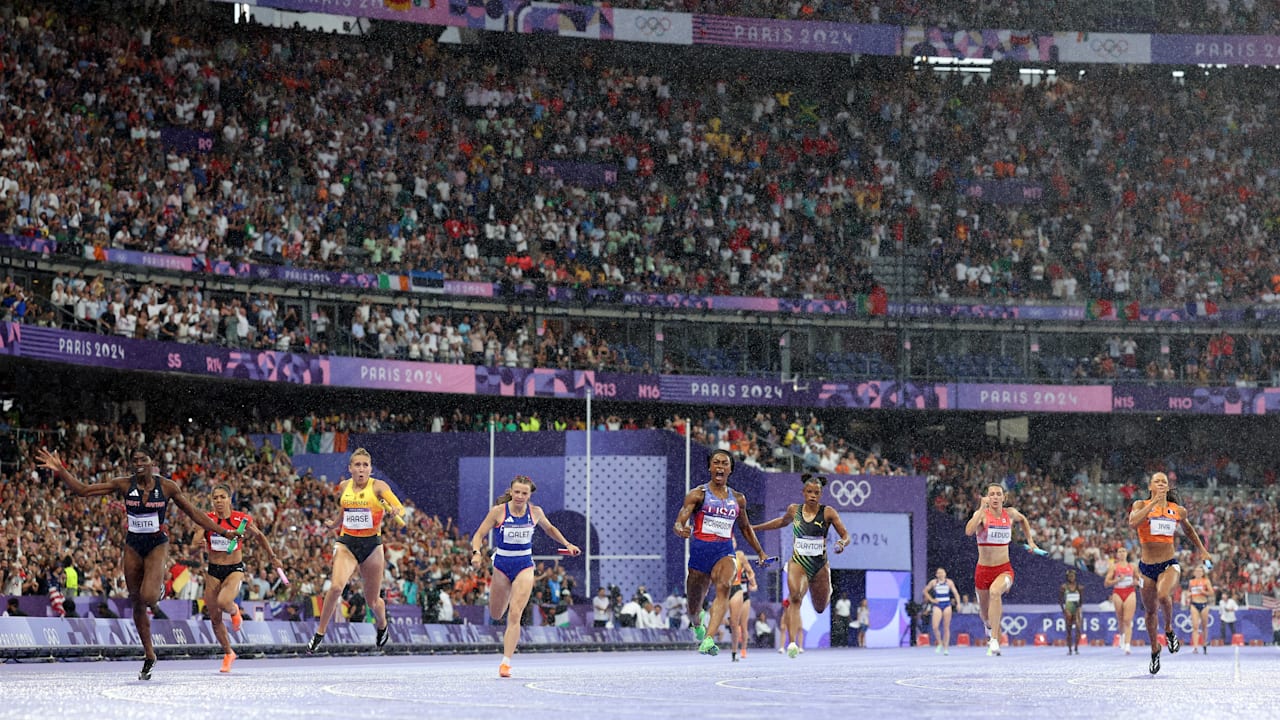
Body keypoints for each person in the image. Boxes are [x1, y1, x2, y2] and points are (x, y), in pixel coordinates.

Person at [36, 446, 241, 680]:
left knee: (150, 597)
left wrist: (223, 532)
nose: (138, 463)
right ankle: (149, 655)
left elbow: (195, 513)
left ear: (152, 462)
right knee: (136, 602)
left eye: (143, 459)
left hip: (156, 545)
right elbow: (83, 490)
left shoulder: (167, 487)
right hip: (133, 545)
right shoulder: (124, 484)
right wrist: (60, 470)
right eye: (134, 460)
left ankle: (160, 589)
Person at [470, 475, 580, 678]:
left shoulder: (535, 512)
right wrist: (476, 553)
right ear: (511, 492)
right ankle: (505, 598)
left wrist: (567, 544)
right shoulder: (498, 512)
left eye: (524, 493)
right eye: (517, 492)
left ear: (530, 495)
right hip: (502, 566)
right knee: (496, 614)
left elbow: (550, 529)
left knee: (515, 613)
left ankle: (506, 663)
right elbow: (478, 535)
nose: (520, 496)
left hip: (524, 566)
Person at [307, 448, 406, 654]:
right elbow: (346, 508)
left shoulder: (379, 487)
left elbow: (399, 507)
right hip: (347, 543)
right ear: (350, 468)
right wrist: (335, 524)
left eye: (365, 465)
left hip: (372, 547)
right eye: (357, 465)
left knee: (372, 602)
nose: (361, 469)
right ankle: (320, 633)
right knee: (335, 588)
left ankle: (382, 625)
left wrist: (397, 510)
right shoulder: (344, 486)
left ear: (370, 469)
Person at [673, 450, 768, 657]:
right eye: (716, 463)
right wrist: (680, 528)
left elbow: (745, 528)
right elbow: (680, 520)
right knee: (693, 607)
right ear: (710, 468)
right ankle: (697, 622)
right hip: (700, 555)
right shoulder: (697, 494)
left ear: (730, 469)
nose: (720, 466)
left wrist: (760, 552)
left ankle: (708, 639)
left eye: (724, 463)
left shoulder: (738, 499)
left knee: (724, 585)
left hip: (724, 551)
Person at [751, 473, 851, 658]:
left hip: (819, 564)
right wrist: (755, 528)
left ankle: (827, 590)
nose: (813, 495)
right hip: (798, 561)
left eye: (816, 492)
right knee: (795, 598)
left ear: (820, 494)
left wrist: (841, 544)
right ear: (803, 492)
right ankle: (792, 643)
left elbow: (845, 535)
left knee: (820, 607)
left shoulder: (828, 512)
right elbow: (781, 522)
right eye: (809, 492)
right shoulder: (793, 510)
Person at [1128, 472, 1212, 675]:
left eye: (1164, 482)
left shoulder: (1177, 511)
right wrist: (1153, 504)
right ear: (1151, 486)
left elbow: (1190, 531)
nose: (1161, 484)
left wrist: (1202, 550)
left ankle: (1168, 630)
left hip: (1169, 564)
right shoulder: (1140, 504)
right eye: (1157, 481)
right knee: (1149, 611)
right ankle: (1155, 650)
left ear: (1168, 486)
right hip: (1146, 567)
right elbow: (1133, 523)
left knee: (1163, 595)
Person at [203, 483, 283, 673]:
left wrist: (272, 557)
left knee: (223, 602)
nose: (219, 501)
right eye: (215, 498)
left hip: (234, 569)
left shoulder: (242, 519)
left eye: (222, 497)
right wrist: (197, 538)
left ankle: (233, 610)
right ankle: (229, 653)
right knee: (214, 617)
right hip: (213, 569)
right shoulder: (208, 519)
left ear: (230, 499)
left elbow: (260, 536)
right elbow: (197, 537)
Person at [964, 483, 1040, 657]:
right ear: (987, 498)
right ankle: (989, 627)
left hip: (1004, 569)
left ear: (1004, 497)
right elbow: (968, 531)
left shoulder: (1010, 514)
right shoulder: (981, 515)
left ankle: (995, 639)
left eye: (999, 494)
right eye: (992, 494)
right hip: (983, 571)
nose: (995, 497)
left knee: (995, 592)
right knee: (984, 615)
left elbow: (1023, 520)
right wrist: (979, 510)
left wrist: (1030, 541)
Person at [1104, 546, 1138, 654]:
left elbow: (1139, 579)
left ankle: (1127, 645)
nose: (1122, 553)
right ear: (1117, 555)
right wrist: (1117, 579)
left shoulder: (1133, 566)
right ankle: (1122, 635)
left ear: (1127, 554)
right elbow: (1106, 583)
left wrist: (1136, 582)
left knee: (1127, 620)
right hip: (1118, 592)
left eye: (1124, 551)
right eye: (1120, 551)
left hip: (1130, 592)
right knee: (1121, 620)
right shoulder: (1114, 567)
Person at [727, 545, 758, 662]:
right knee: (733, 623)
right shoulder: (730, 564)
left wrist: (754, 584)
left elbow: (751, 574)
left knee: (743, 625)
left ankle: (743, 649)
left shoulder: (745, 569)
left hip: (744, 597)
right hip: (730, 592)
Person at [924, 567, 960, 655]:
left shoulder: (949, 582)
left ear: (945, 574)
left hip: (947, 604)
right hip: (938, 604)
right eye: (939, 573)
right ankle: (940, 642)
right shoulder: (933, 582)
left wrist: (958, 603)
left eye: (942, 572)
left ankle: (946, 647)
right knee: (935, 626)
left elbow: (955, 593)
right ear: (936, 574)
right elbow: (925, 591)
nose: (941, 574)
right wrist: (932, 600)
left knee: (946, 627)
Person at [1186, 565, 1214, 654]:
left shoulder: (1206, 581)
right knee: (1195, 627)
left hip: (1204, 604)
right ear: (1194, 573)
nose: (1198, 573)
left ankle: (1205, 643)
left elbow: (1211, 592)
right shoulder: (1191, 582)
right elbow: (1189, 591)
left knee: (1204, 626)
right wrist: (1188, 595)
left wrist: (1203, 592)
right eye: (1196, 571)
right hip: (1194, 604)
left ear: (1202, 573)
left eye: (1200, 571)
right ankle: (1195, 647)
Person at [1060, 568, 1084, 655]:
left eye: (1072, 576)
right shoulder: (1063, 587)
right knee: (1069, 630)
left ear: (1075, 577)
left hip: (1076, 609)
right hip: (1068, 609)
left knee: (1078, 629)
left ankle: (1076, 648)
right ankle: (1070, 649)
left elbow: (1081, 600)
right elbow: (1060, 600)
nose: (1071, 578)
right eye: (1069, 576)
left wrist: (1079, 609)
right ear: (1067, 577)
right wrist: (1064, 610)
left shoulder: (1080, 587)